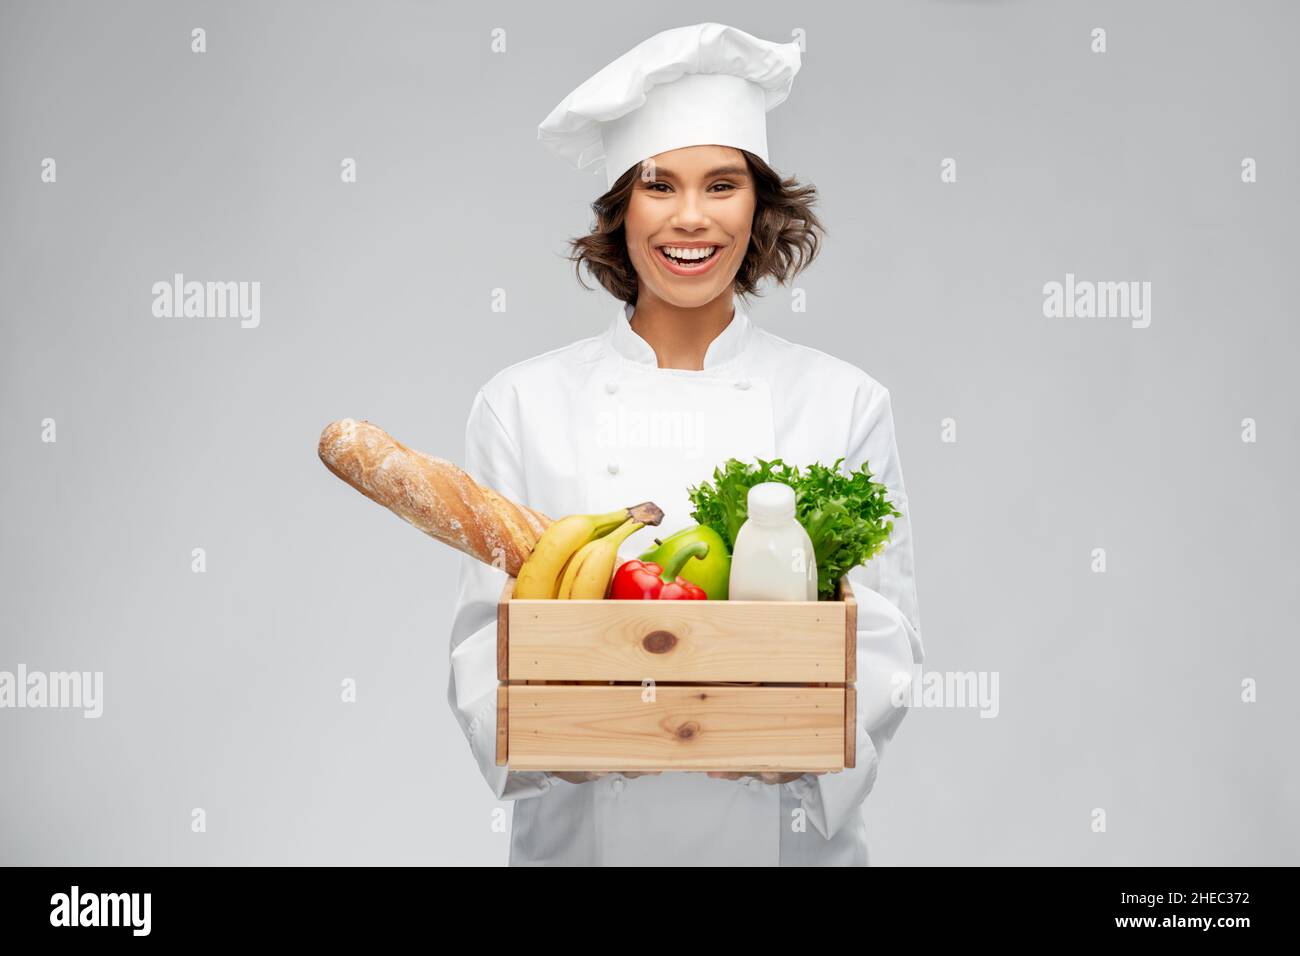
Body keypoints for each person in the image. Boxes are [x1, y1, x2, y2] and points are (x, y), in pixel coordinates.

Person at [447, 22, 924, 866]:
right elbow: (485, 643)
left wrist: (784, 746)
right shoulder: (521, 403)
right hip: (584, 838)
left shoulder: (843, 401)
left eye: (724, 184)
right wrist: (558, 735)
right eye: (660, 186)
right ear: (621, 208)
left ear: (760, 205)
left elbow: (884, 636)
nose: (691, 218)